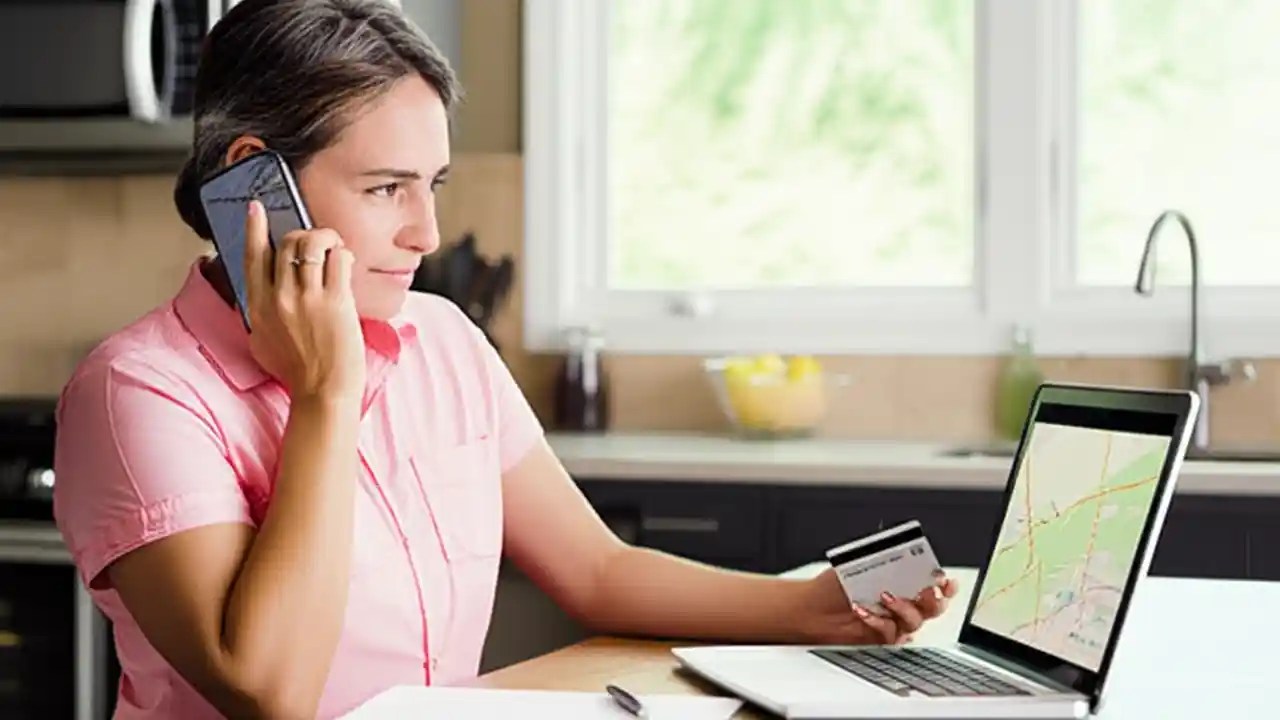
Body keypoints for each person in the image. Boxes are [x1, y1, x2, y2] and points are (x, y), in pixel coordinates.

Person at [51, 1, 958, 718]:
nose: (426, 231)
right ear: (256, 184)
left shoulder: (444, 340)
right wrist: (324, 396)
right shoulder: (140, 393)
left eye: (431, 185)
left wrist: (807, 607)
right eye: (385, 189)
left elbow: (597, 572)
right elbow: (270, 692)